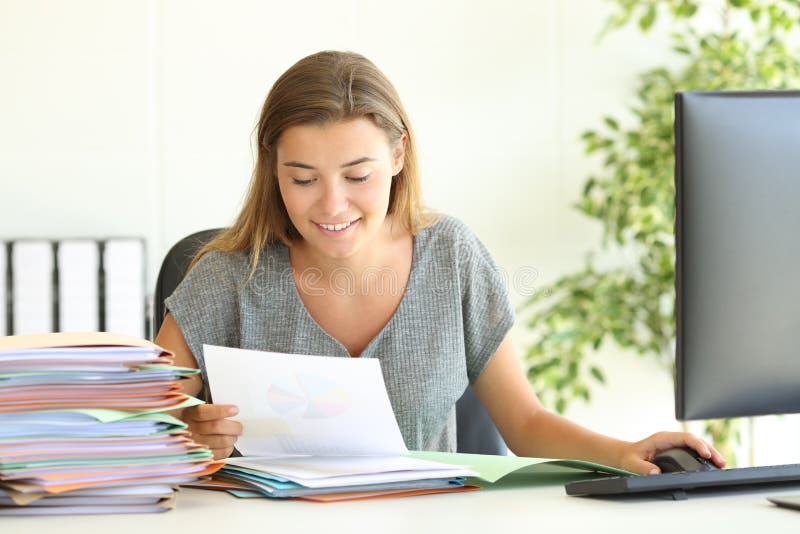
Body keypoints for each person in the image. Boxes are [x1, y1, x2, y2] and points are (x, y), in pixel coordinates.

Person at [155, 50, 725, 474]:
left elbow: (525, 424)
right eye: (303, 179)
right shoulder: (226, 278)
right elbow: (139, 428)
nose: (331, 205)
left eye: (358, 176)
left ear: (398, 154)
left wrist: (623, 452)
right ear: (271, 165)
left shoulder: (451, 256)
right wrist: (183, 439)